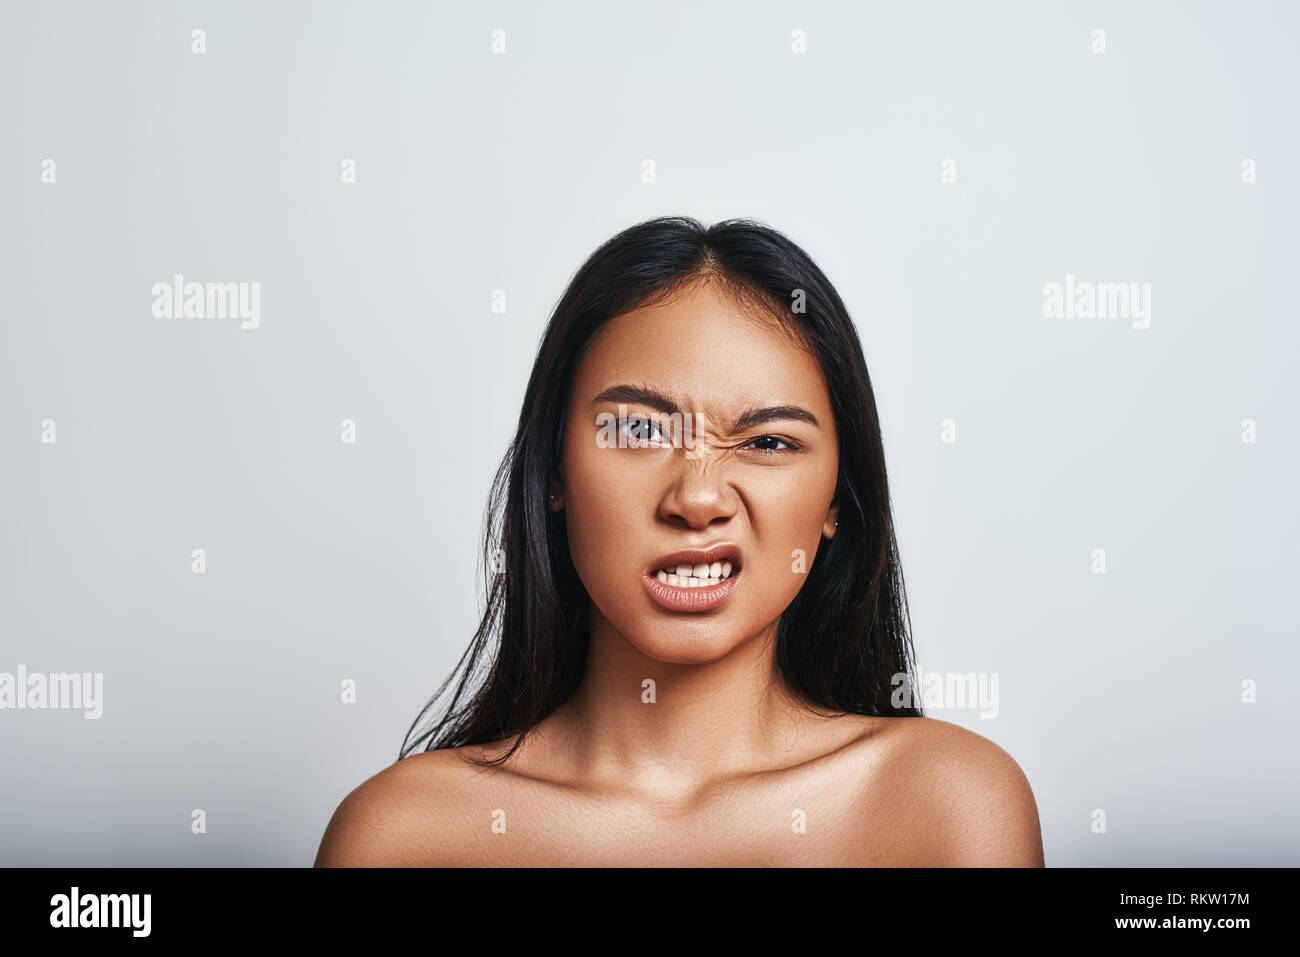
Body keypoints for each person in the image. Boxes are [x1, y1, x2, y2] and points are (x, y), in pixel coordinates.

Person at [315, 216, 1044, 866]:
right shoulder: (402, 836)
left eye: (765, 440)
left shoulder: (951, 806)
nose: (698, 498)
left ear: (835, 501)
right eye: (638, 429)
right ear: (554, 474)